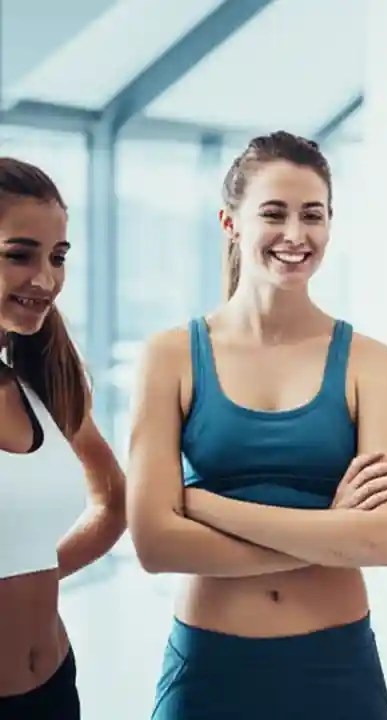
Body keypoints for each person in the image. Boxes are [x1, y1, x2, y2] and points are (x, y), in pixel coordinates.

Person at [126, 131, 387, 720]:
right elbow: (154, 543)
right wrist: (329, 531)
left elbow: (380, 541)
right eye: (273, 213)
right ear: (231, 222)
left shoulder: (368, 360)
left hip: (337, 668)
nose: (295, 235)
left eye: (313, 215)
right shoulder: (171, 355)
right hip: (210, 668)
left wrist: (203, 506)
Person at [0, 158, 126, 719]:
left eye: (58, 257)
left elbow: (113, 503)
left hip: (54, 684)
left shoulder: (40, 375)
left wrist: (36, 571)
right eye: (18, 255)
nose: (46, 279)